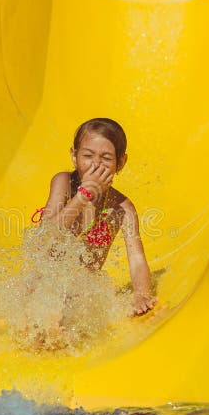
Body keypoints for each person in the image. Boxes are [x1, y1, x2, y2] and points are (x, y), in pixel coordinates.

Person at [33, 118, 157, 317]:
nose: (96, 165)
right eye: (88, 156)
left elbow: (137, 258)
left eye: (106, 158)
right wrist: (83, 196)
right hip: (44, 284)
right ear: (74, 156)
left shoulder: (122, 208)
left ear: (120, 163)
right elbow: (45, 236)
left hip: (80, 295)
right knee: (45, 312)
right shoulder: (64, 183)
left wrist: (142, 294)